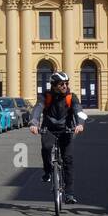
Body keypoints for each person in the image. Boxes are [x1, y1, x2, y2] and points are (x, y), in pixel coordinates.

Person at [30, 71, 84, 202]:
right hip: (49, 129)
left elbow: (78, 110)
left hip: (66, 130)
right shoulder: (45, 96)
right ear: (54, 85)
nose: (65, 86)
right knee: (46, 148)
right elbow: (38, 108)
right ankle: (48, 171)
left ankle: (69, 194)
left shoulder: (71, 97)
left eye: (66, 83)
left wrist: (80, 124)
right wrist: (34, 122)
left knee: (68, 160)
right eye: (62, 84)